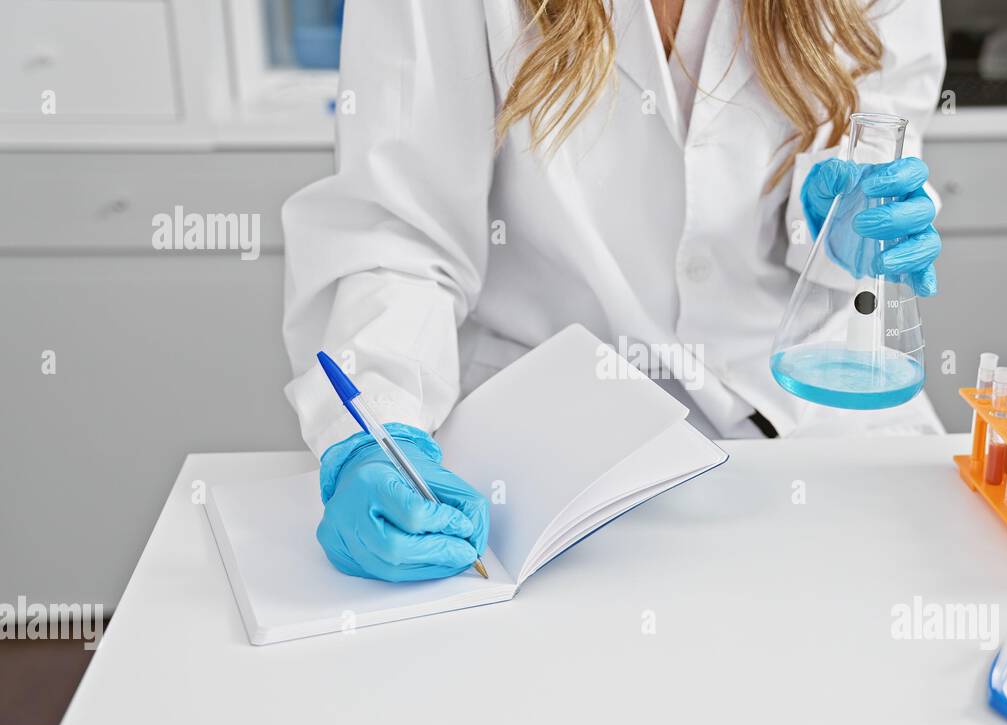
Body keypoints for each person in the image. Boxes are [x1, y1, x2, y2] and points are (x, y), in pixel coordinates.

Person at [283, 0, 946, 582]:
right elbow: (404, 226)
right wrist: (380, 419)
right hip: (555, 451)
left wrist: (841, 226)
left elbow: (878, 133)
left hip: (809, 416)